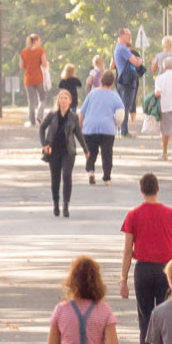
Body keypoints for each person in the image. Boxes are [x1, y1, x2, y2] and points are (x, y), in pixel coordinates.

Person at [119, 172, 172, 344]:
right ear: (158, 189)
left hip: (144, 270)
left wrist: (123, 278)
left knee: (145, 320)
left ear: (141, 190)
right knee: (169, 318)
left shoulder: (133, 215)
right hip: (168, 270)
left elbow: (128, 250)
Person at [40, 87, 83, 217]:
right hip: (53, 151)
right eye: (61, 98)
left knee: (67, 176)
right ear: (58, 100)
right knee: (55, 178)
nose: (63, 101)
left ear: (70, 101)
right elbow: (42, 128)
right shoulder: (52, 114)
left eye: (66, 98)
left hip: (68, 151)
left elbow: (79, 135)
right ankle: (55, 203)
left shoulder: (74, 117)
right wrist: (44, 144)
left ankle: (66, 205)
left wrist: (87, 151)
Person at [80, 67, 122, 184]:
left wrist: (80, 126)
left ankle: (91, 171)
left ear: (101, 80)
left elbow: (82, 112)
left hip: (90, 128)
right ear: (112, 82)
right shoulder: (115, 96)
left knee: (91, 151)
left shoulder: (92, 94)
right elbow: (120, 115)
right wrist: (117, 124)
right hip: (107, 128)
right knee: (107, 153)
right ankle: (107, 177)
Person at [112, 28, 142, 137]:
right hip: (127, 81)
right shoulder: (123, 49)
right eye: (127, 34)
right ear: (121, 36)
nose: (130, 36)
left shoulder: (117, 48)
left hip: (121, 80)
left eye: (130, 34)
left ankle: (122, 129)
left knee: (123, 105)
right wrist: (140, 60)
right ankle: (123, 130)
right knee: (126, 105)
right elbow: (136, 62)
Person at [20, 33, 49, 124]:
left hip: (28, 79)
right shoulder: (40, 51)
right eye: (39, 40)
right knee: (42, 98)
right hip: (39, 78)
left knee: (31, 100)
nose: (40, 42)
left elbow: (21, 66)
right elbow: (44, 64)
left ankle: (31, 120)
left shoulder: (24, 51)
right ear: (35, 41)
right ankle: (40, 116)